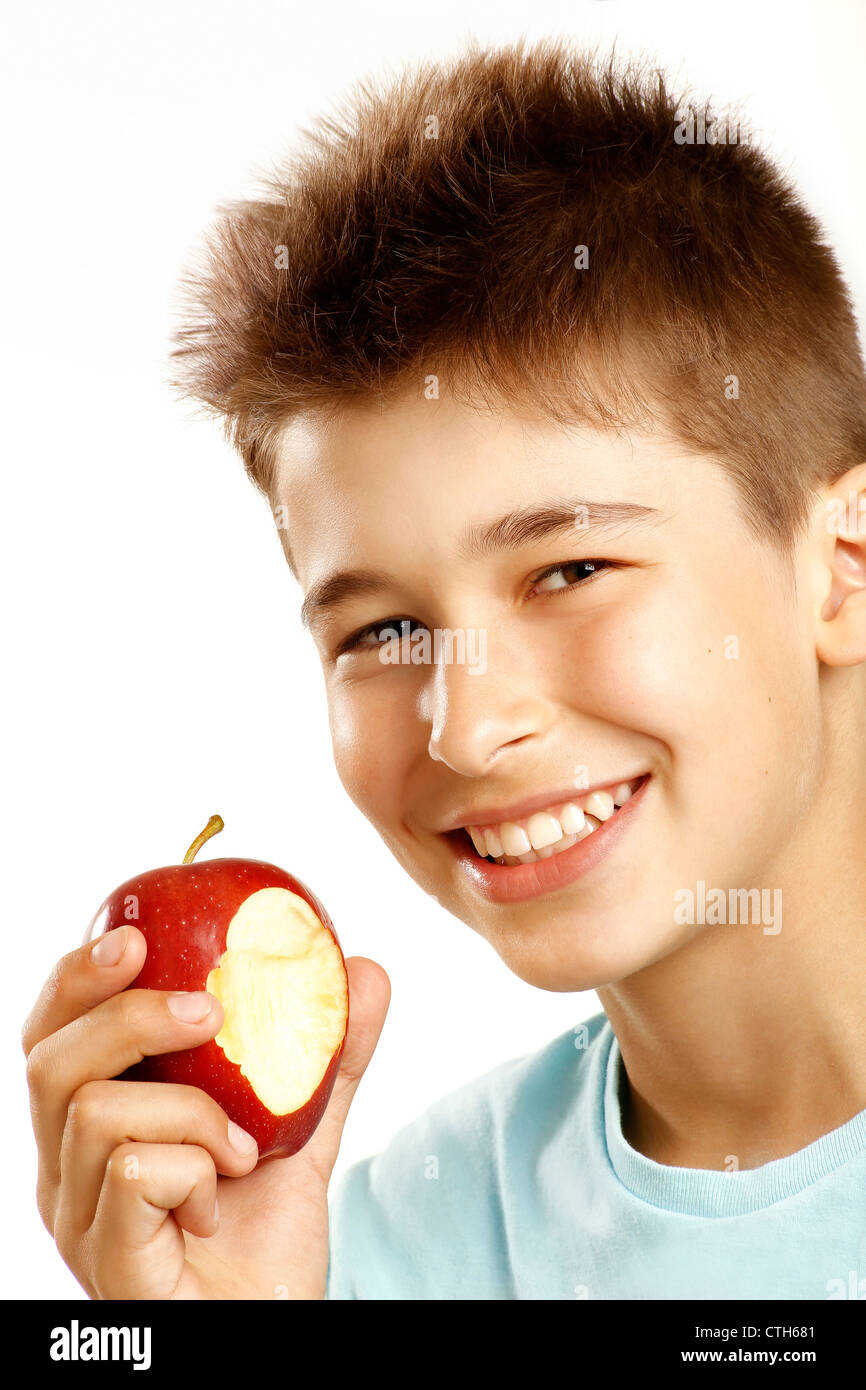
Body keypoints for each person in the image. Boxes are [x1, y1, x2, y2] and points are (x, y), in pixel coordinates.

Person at [24, 38, 866, 1300]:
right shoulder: (349, 1256)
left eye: (570, 571)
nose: (464, 727)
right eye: (380, 633)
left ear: (841, 565)